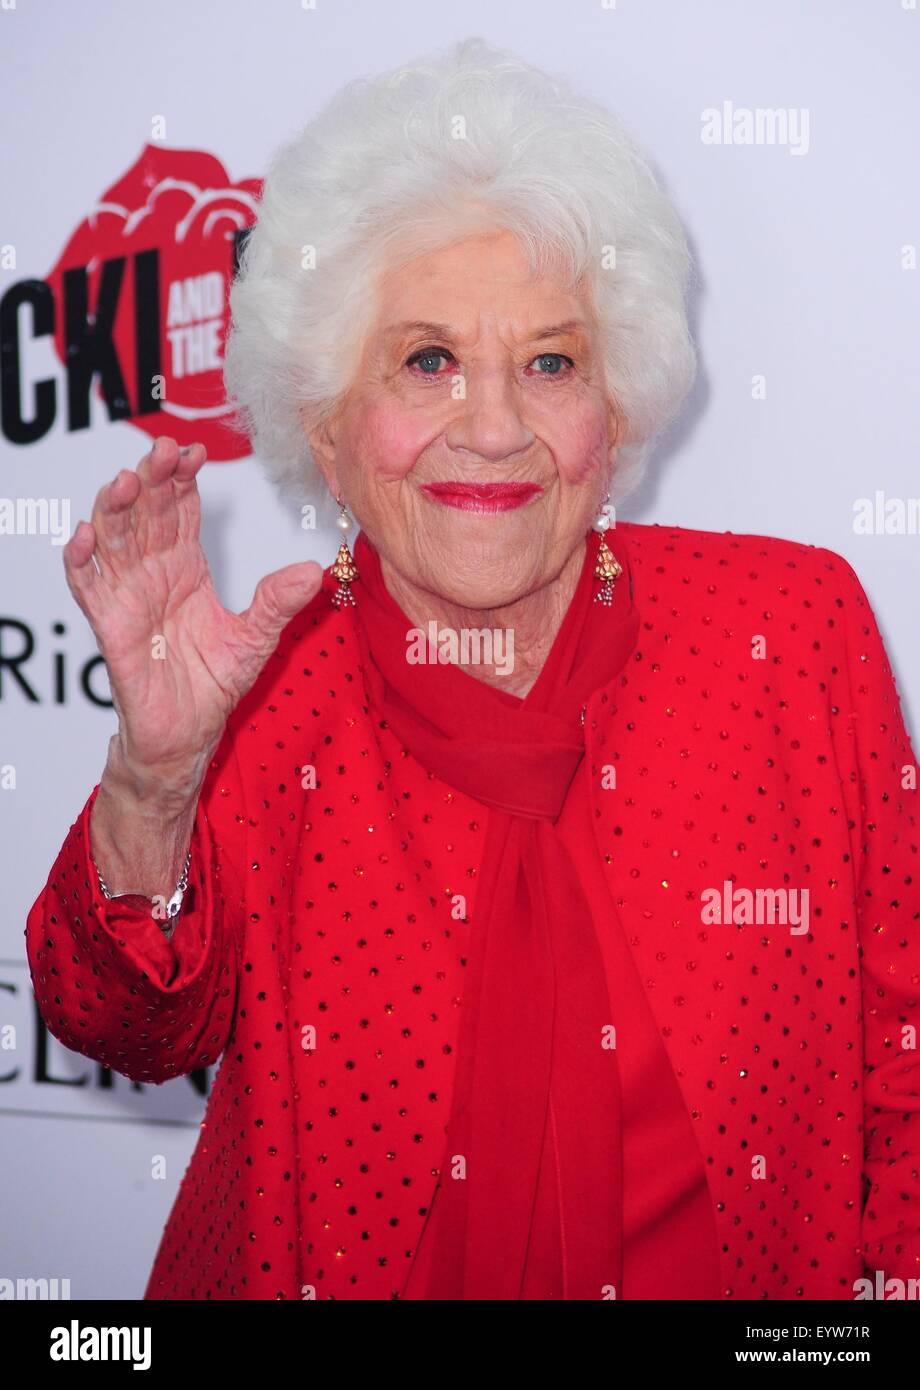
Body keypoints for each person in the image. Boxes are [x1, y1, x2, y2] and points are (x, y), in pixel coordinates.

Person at [26, 37, 919, 1301]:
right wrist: (155, 780)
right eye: (426, 360)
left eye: (549, 362)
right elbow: (120, 1023)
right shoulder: (265, 686)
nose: (493, 428)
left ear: (614, 415)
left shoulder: (786, 628)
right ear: (327, 433)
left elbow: (905, 1026)